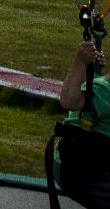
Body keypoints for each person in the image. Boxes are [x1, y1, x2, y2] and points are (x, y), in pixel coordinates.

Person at [54, 36, 110, 207]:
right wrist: (80, 63)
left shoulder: (98, 85)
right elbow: (68, 101)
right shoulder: (103, 92)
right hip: (82, 174)